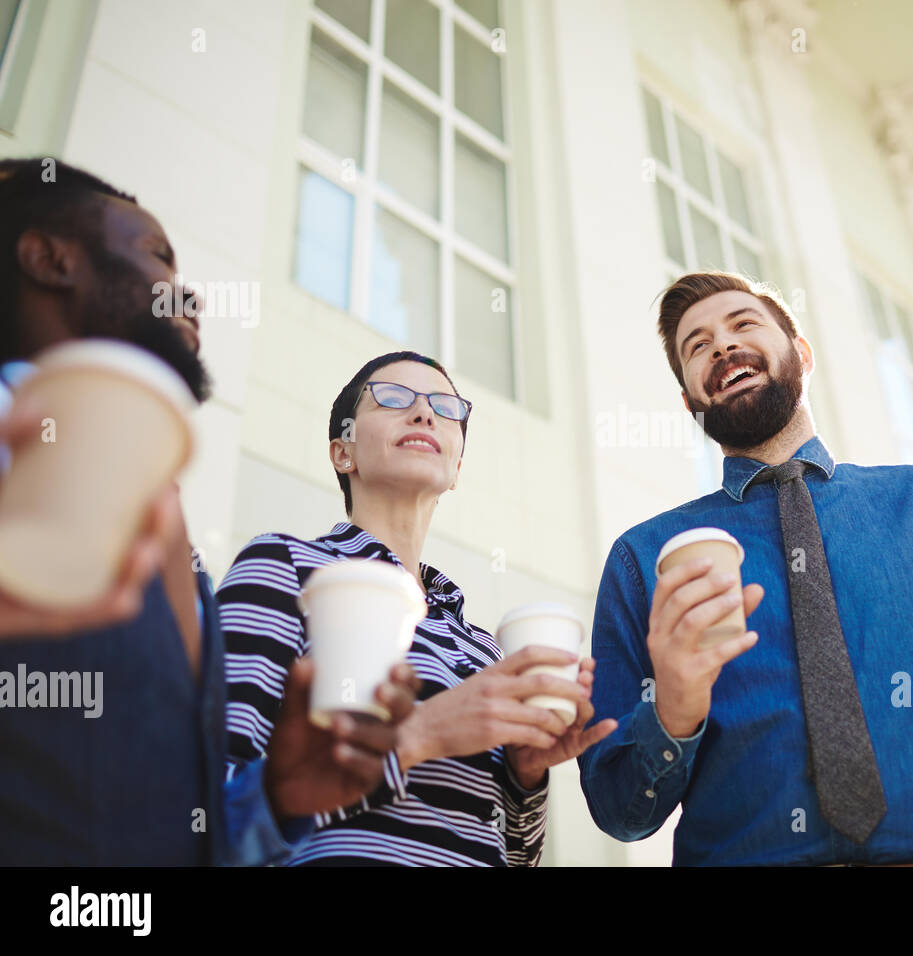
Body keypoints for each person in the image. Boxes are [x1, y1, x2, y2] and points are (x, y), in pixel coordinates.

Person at [578, 271, 913, 866]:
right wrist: (673, 712)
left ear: (801, 354)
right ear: (690, 402)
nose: (722, 347)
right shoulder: (645, 561)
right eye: (698, 345)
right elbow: (619, 811)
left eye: (743, 324)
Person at [0, 158, 419, 865]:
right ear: (51, 258)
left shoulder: (168, 532)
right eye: (157, 256)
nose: (186, 292)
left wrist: (277, 797)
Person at [221, 351, 617, 865]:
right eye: (391, 398)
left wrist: (526, 774)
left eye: (445, 408)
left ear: (456, 470)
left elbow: (515, 856)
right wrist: (421, 734)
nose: (424, 414)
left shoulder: (485, 647)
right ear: (344, 452)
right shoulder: (286, 566)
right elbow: (207, 803)